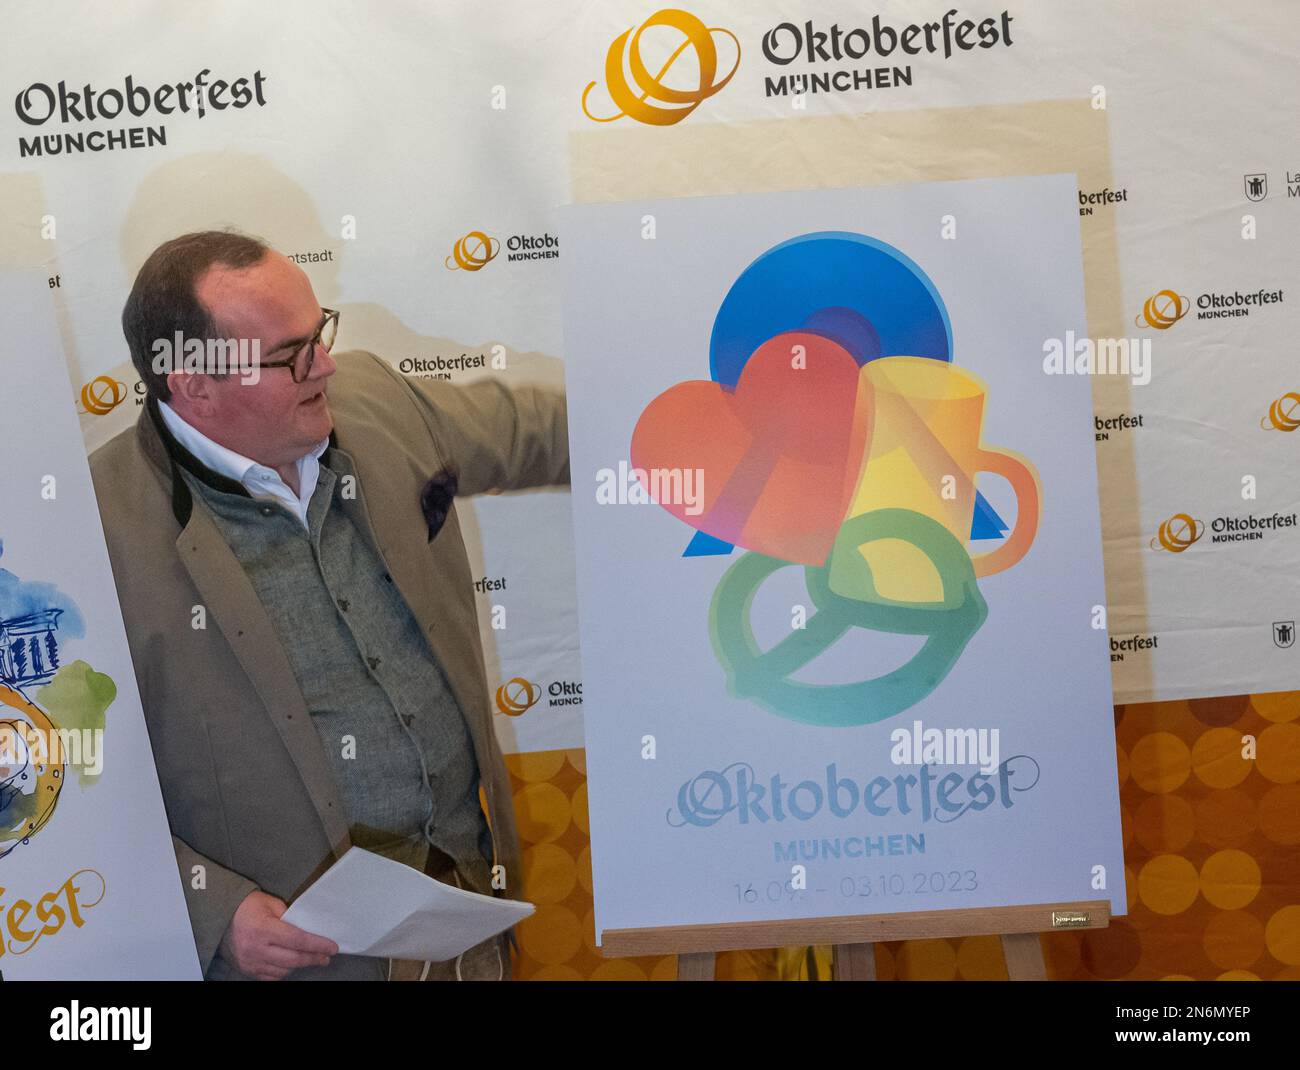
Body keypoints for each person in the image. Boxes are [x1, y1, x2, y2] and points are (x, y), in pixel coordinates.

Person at [89, 230, 570, 980]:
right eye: (290, 355)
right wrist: (211, 910)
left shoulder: (378, 404)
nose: (325, 365)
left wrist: (710, 433)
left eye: (319, 333)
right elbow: (54, 785)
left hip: (466, 928)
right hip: (298, 966)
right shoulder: (93, 535)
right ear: (194, 385)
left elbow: (533, 433)